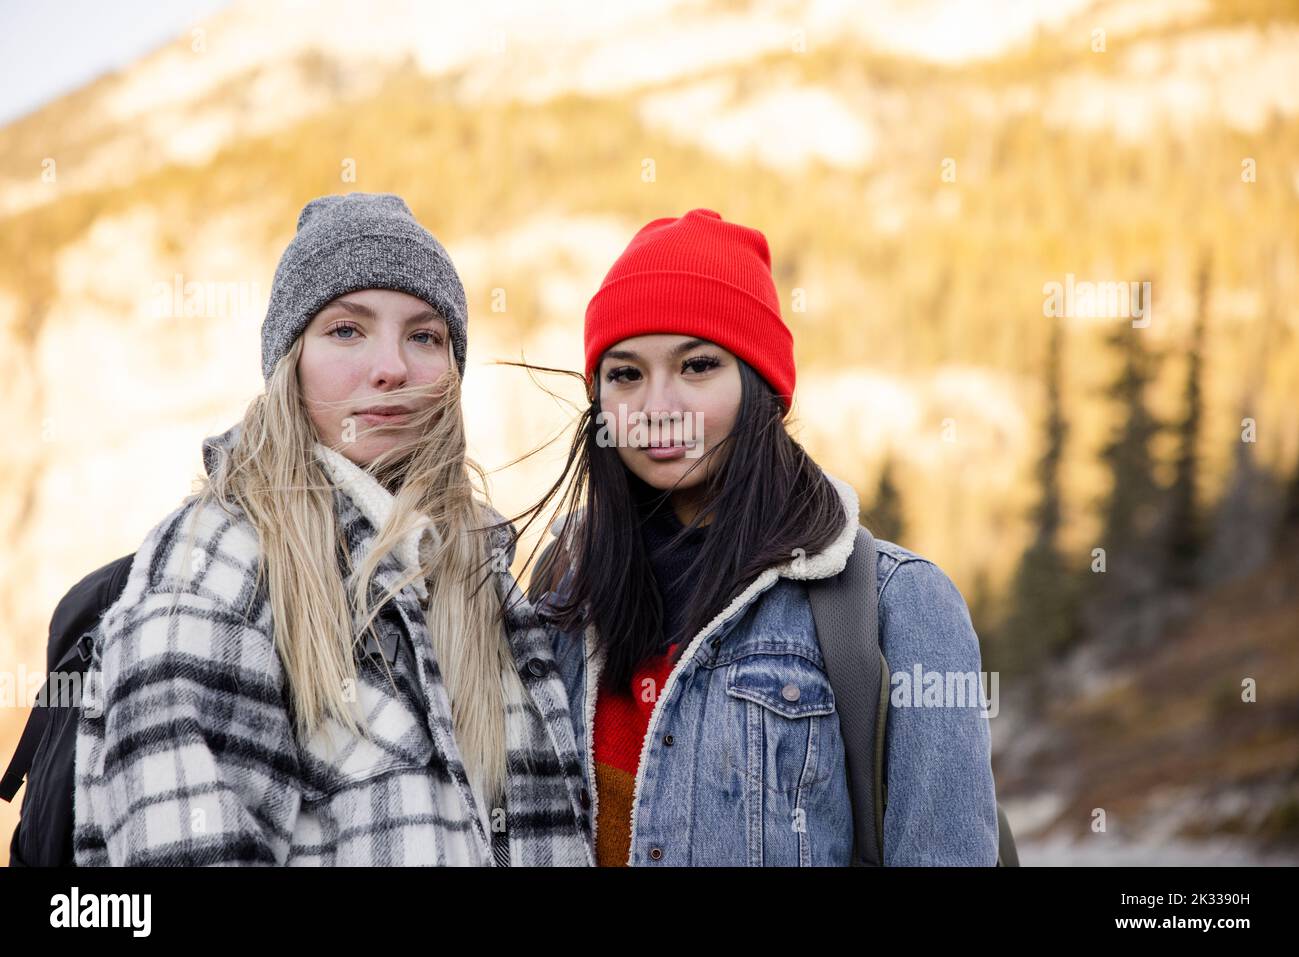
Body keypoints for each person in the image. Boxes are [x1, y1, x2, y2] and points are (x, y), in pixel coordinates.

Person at [73, 192, 592, 866]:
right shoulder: (220, 563)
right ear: (291, 361)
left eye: (424, 335)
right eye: (347, 329)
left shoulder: (480, 583)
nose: (391, 366)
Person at [529, 208, 999, 865]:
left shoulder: (897, 604)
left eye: (697, 366)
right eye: (627, 374)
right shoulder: (561, 593)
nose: (658, 407)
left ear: (761, 388)